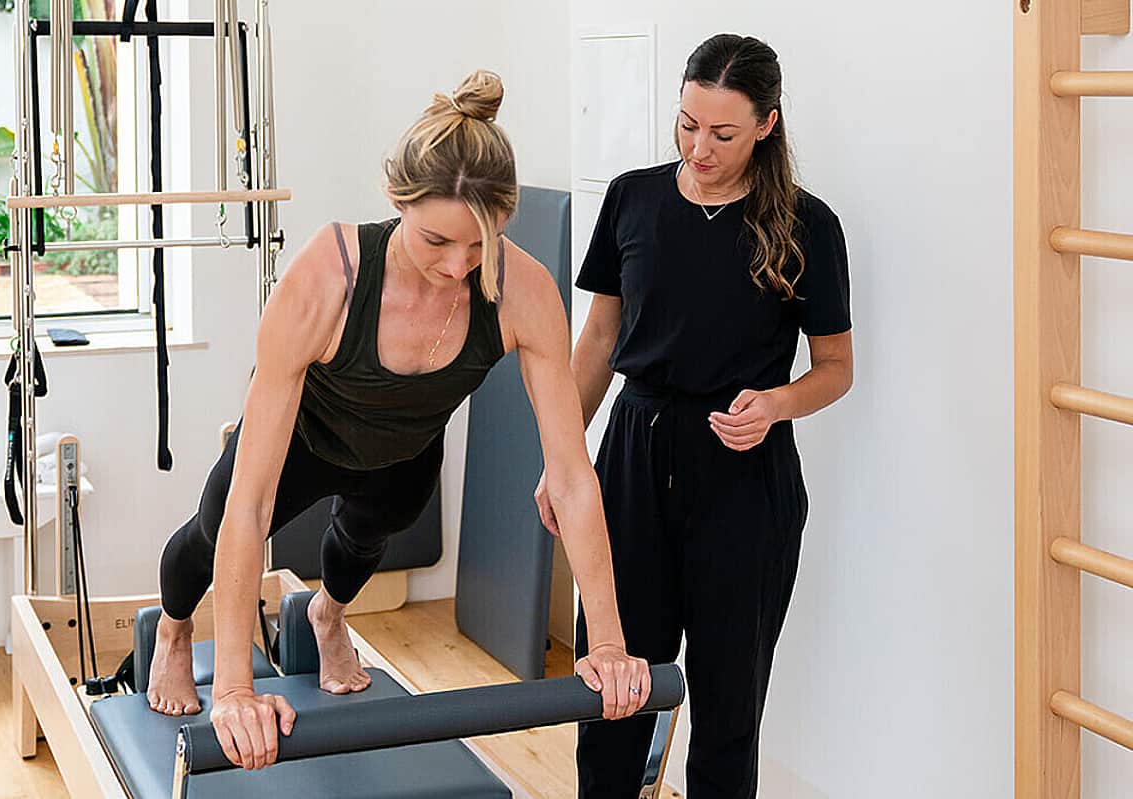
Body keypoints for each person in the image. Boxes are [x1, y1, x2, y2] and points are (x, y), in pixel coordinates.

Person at [145, 70, 651, 771]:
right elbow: (251, 503)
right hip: (302, 441)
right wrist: (233, 685)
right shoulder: (329, 275)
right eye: (437, 240)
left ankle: (326, 614)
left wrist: (608, 641)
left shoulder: (525, 291)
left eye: (481, 244)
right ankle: (170, 632)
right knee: (207, 533)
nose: (458, 266)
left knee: (364, 538)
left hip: (405, 451)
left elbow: (570, 477)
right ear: (395, 199)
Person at [535, 35, 854, 797]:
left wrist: (777, 404)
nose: (699, 148)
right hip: (631, 466)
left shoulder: (807, 226)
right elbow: (599, 339)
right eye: (686, 125)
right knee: (612, 696)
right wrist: (562, 458)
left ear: (767, 125)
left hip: (746, 478)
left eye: (723, 133)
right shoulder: (632, 198)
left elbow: (837, 369)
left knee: (727, 713)